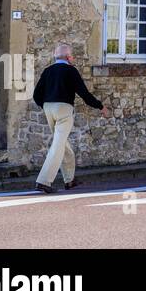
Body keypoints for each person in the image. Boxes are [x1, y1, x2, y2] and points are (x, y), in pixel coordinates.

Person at [32, 43, 109, 193]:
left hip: (48, 107)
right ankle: (44, 181)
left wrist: (46, 105)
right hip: (64, 109)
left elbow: (36, 95)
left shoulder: (47, 71)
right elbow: (84, 94)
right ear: (68, 57)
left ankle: (69, 180)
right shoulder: (71, 71)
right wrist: (101, 107)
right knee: (57, 146)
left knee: (62, 145)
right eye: (72, 55)